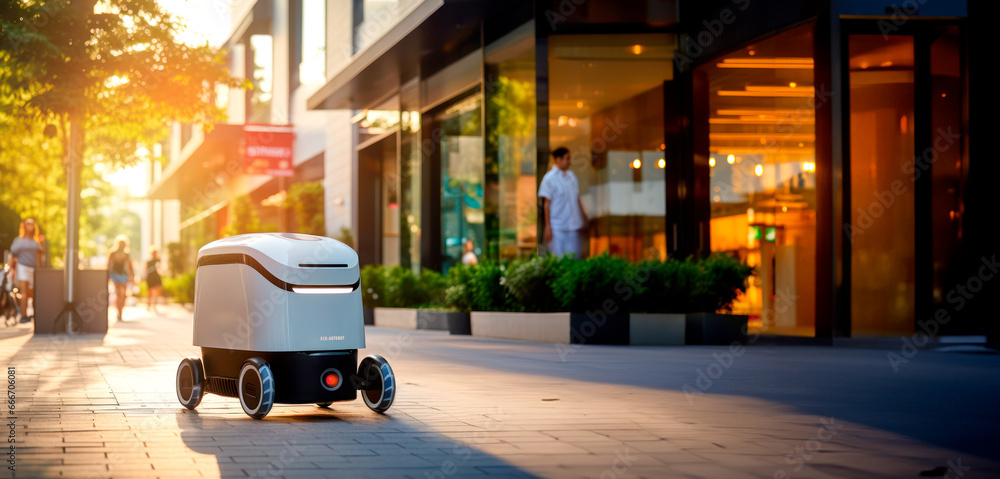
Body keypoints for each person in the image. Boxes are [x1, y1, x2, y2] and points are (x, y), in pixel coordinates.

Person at [538, 147, 588, 258]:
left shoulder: (572, 177)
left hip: (573, 226)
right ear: (558, 160)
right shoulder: (549, 178)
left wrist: (585, 217)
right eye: (567, 158)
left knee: (574, 259)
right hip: (557, 228)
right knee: (559, 260)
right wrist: (548, 226)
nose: (570, 162)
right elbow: (546, 203)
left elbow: (577, 199)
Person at [9, 218, 44, 323]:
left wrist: (41, 270)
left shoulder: (35, 241)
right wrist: (8, 269)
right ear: (24, 226)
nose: (30, 226)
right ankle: (23, 316)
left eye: (32, 224)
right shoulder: (19, 240)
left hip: (33, 268)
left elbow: (39, 257)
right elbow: (13, 255)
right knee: (24, 293)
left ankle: (34, 315)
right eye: (28, 224)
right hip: (23, 267)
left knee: (33, 294)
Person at [107, 235, 135, 321]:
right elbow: (109, 265)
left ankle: (120, 312)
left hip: (123, 275)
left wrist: (131, 277)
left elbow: (128, 266)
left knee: (123, 295)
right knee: (119, 294)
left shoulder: (126, 254)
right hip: (115, 275)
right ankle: (119, 312)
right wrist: (107, 276)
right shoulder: (112, 253)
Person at [145, 246, 164, 314]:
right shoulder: (148, 261)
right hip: (150, 277)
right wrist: (144, 277)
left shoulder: (158, 260)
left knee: (158, 290)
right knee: (150, 292)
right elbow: (145, 270)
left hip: (156, 277)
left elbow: (160, 268)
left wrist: (162, 272)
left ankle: (154, 305)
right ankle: (148, 305)